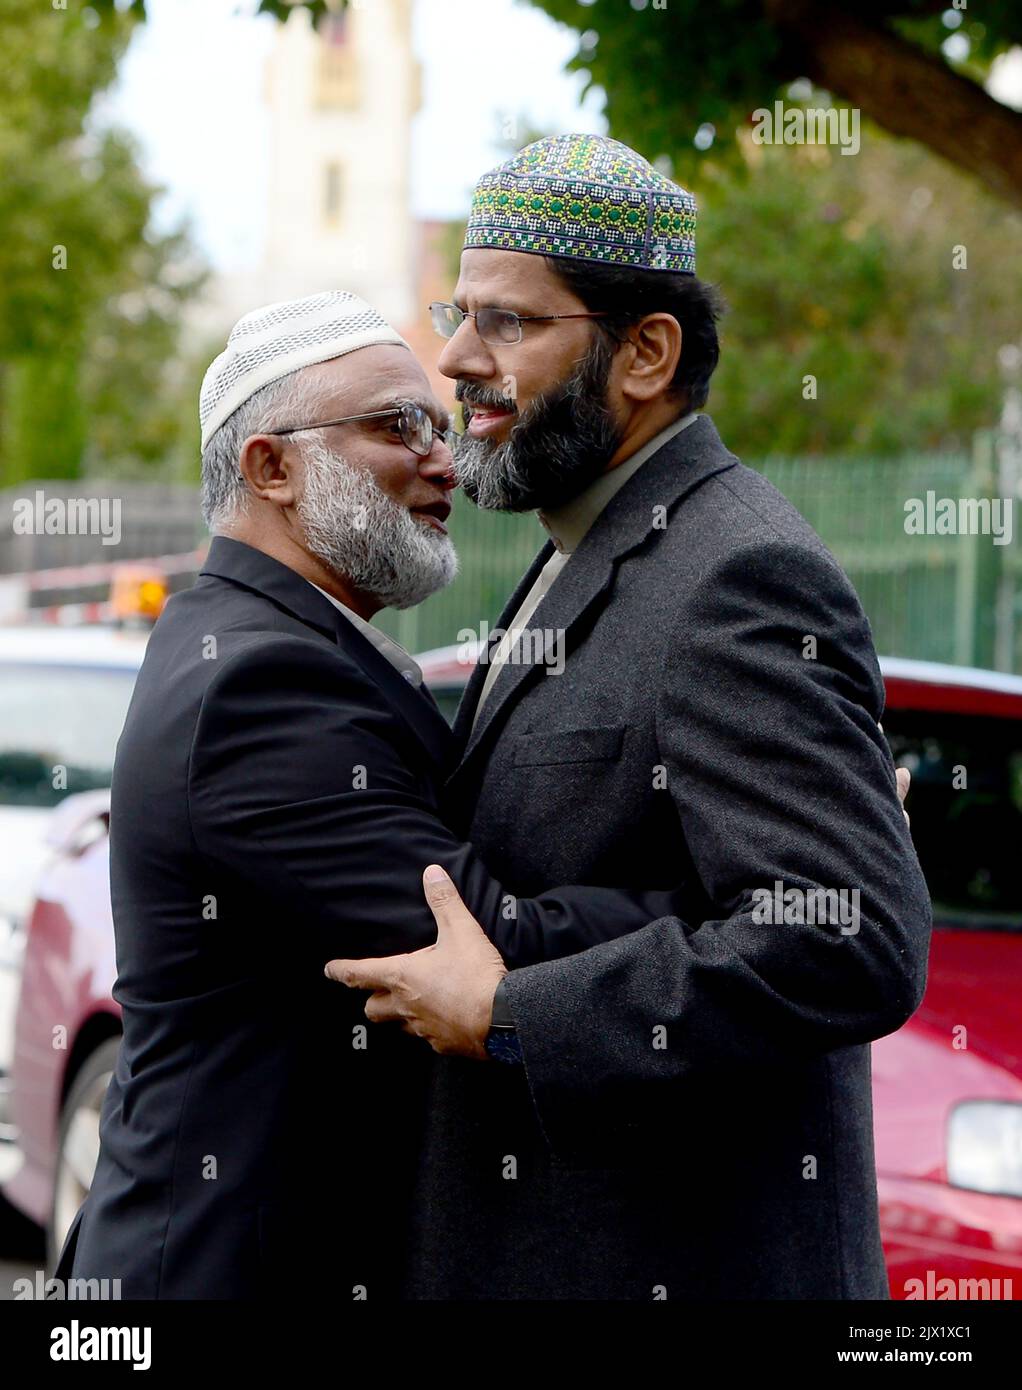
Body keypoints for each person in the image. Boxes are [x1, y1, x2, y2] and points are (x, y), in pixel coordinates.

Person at [327, 135, 933, 1301]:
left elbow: (843, 939)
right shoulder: (583, 546)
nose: (456, 358)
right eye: (460, 313)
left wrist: (510, 1013)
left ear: (644, 351)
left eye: (507, 323)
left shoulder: (736, 575)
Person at [53, 289, 696, 1299]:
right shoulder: (254, 684)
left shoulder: (275, 634)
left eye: (440, 425)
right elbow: (482, 945)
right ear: (270, 466)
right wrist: (747, 897)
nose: (444, 459)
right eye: (397, 427)